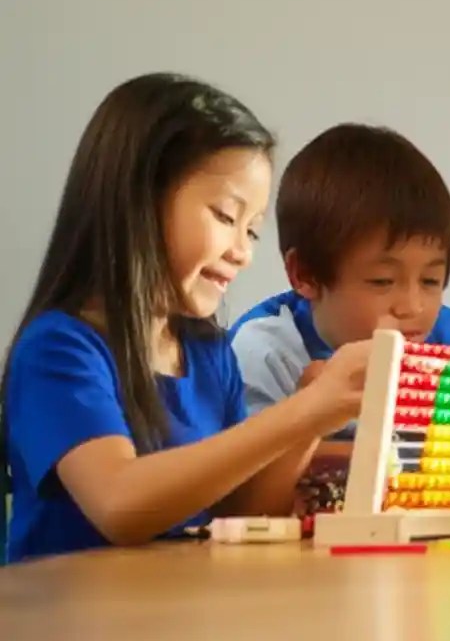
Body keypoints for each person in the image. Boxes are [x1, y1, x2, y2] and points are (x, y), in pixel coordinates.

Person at [1, 73, 369, 562]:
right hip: (76, 631)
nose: (242, 253)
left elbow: (240, 514)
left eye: (253, 231)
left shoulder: (207, 351)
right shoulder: (59, 349)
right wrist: (301, 413)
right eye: (224, 216)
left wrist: (312, 418)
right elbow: (120, 503)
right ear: (140, 200)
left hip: (177, 621)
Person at [230, 124, 450, 513]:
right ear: (304, 275)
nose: (413, 307)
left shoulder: (445, 339)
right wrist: (312, 417)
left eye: (431, 281)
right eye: (382, 281)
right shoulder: (267, 353)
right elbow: (250, 496)